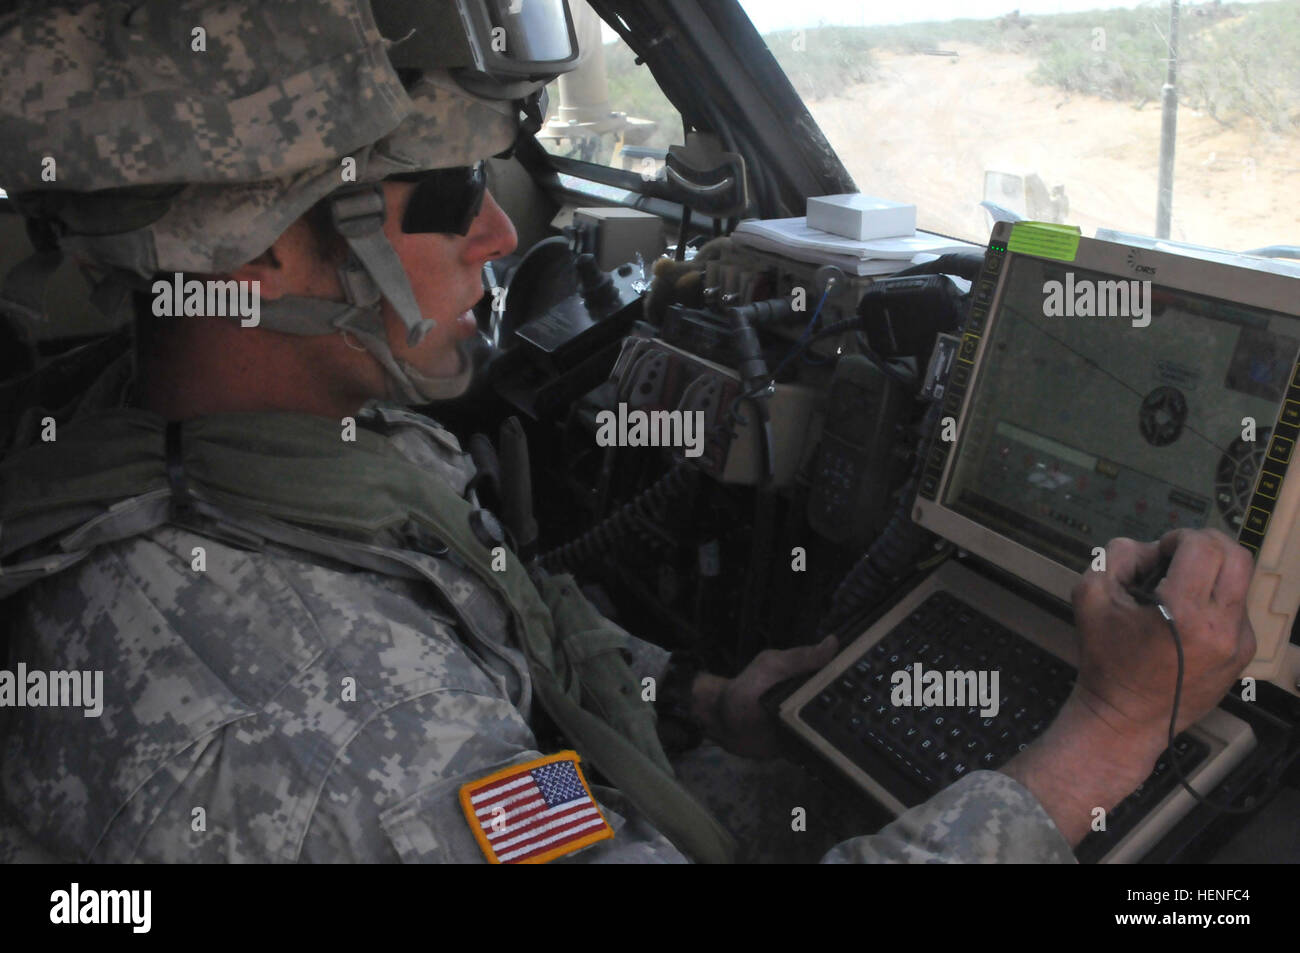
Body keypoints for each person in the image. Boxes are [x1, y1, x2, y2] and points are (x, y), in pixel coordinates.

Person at [0, 0, 1255, 864]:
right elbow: (400, 741)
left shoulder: (245, 431)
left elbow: (487, 639)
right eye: (448, 199)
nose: (498, 237)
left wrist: (699, 698)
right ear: (262, 258)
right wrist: (1105, 735)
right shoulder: (287, 709)